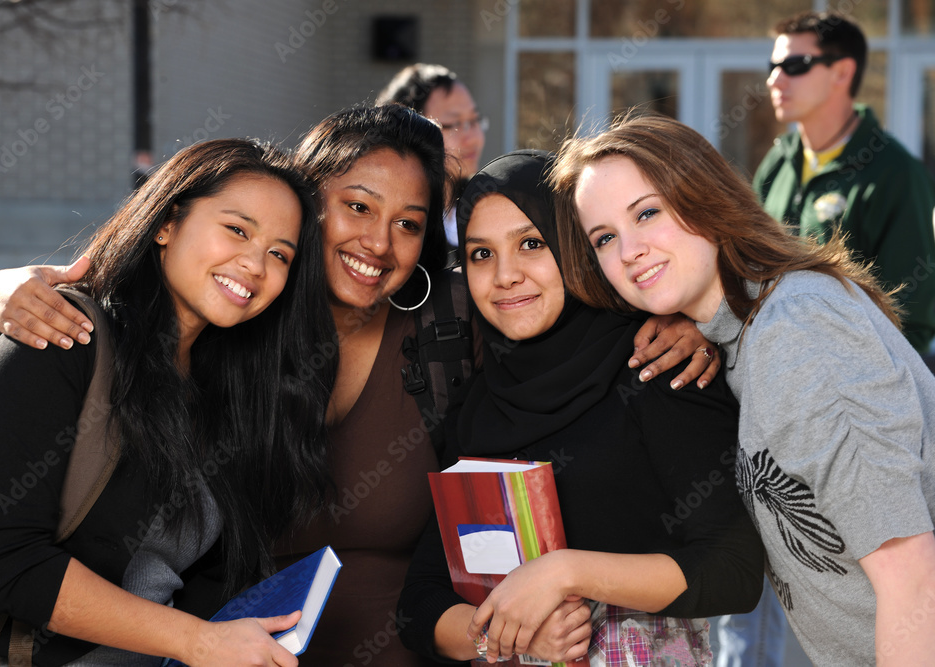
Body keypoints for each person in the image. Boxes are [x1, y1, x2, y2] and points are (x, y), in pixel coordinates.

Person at [0, 106, 721, 667]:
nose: (377, 242)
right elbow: (4, 490)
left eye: (410, 222)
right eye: (356, 206)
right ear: (311, 201)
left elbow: (550, 300)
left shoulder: (451, 333)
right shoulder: (234, 331)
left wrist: (685, 324)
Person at [552, 113, 935, 665]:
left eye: (648, 213)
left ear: (704, 198)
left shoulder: (797, 328)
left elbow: (912, 577)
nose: (629, 249)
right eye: (605, 238)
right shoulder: (746, 335)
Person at [0, 138, 336, 666]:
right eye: (237, 229)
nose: (255, 264)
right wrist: (196, 642)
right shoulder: (67, 337)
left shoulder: (229, 390)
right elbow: (1, 559)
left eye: (280, 254)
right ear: (166, 223)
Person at [398, 150, 764, 666]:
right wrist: (506, 637)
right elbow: (421, 603)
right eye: (481, 254)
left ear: (575, 250)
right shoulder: (480, 408)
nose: (505, 275)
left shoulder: (658, 365)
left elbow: (734, 571)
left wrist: (564, 573)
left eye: (531, 244)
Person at [754, 10, 935, 353]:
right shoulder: (777, 162)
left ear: (842, 71)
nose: (774, 80)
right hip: (771, 370)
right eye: (773, 67)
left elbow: (910, 320)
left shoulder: (897, 174)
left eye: (795, 65)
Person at [375, 63, 488, 248]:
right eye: (454, 124)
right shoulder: (394, 225)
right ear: (410, 130)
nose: (473, 139)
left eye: (475, 121)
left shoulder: (482, 207)